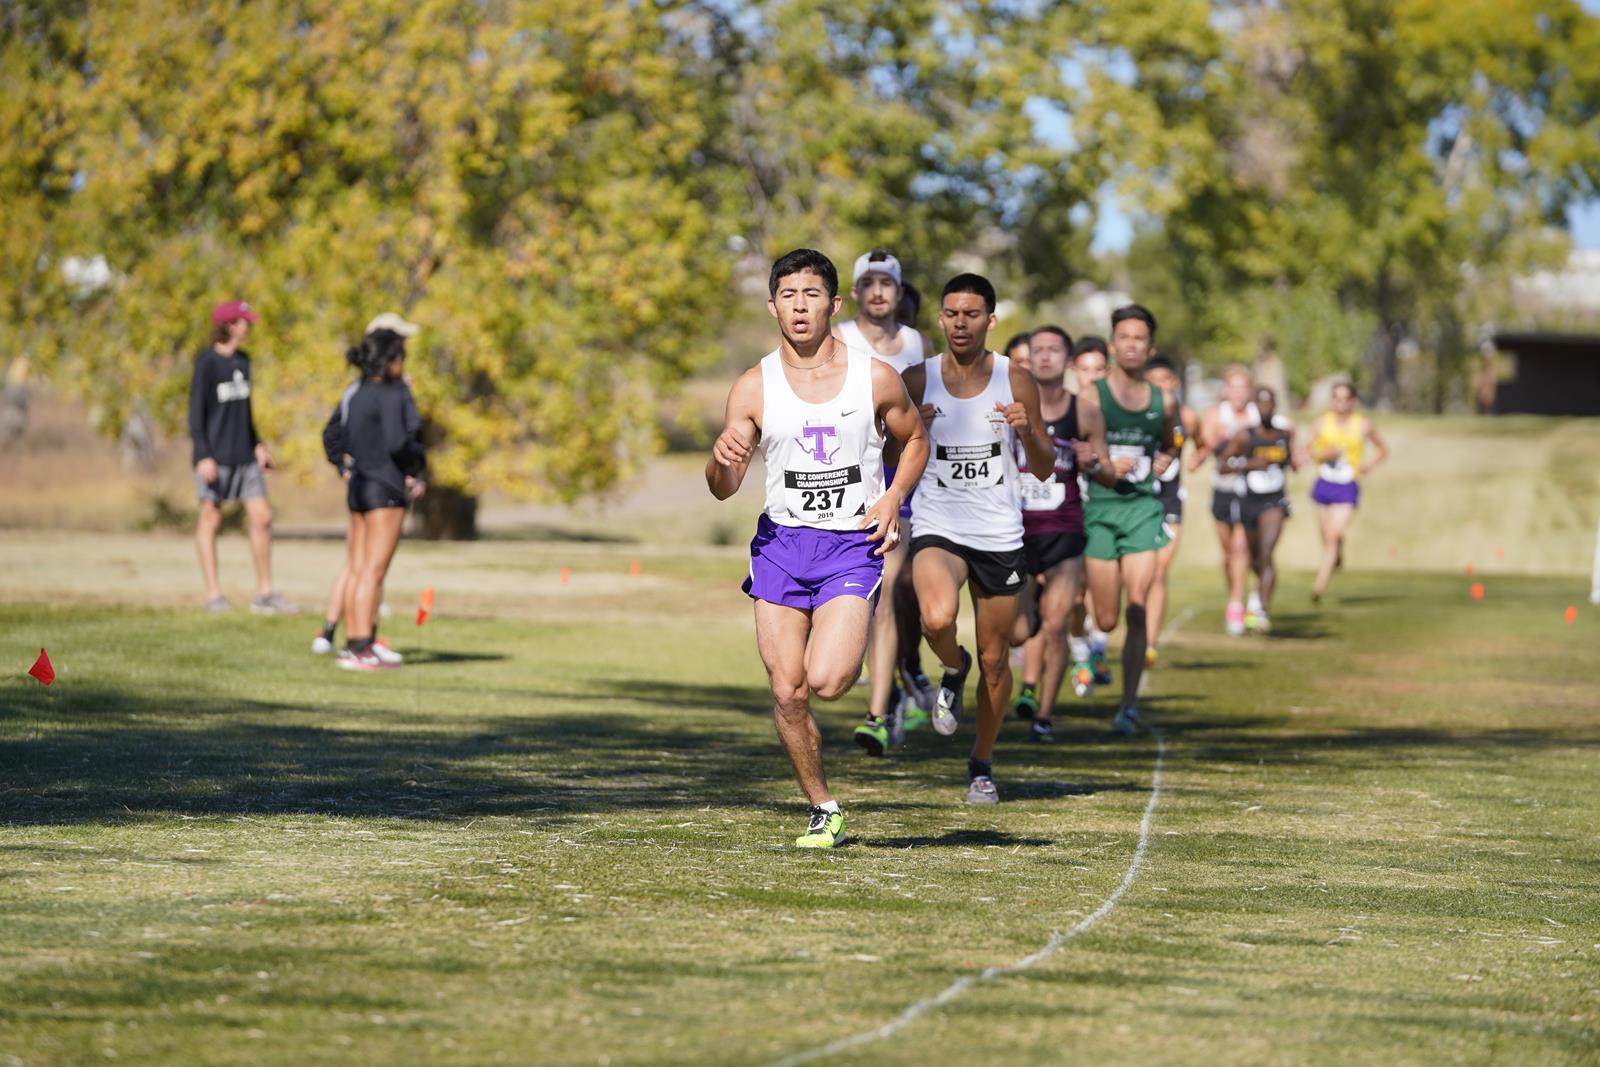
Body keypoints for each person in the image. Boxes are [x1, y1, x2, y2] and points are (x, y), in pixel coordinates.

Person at [706, 248, 927, 848]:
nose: (800, 307)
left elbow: (915, 441)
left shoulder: (873, 375)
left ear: (834, 304)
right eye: (788, 295)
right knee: (787, 689)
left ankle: (877, 692)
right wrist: (720, 461)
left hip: (851, 545)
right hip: (781, 544)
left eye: (812, 295)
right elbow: (724, 489)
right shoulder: (753, 386)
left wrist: (893, 497)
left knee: (827, 681)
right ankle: (824, 806)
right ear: (772, 304)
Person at [901, 273, 1056, 804]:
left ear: (990, 320)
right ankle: (951, 664)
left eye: (971, 314)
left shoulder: (1016, 379)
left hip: (997, 530)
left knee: (997, 660)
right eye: (951, 314)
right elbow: (883, 457)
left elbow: (1042, 467)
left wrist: (1028, 430)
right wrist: (903, 436)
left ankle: (982, 763)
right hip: (938, 523)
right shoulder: (916, 379)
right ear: (940, 318)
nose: (959, 323)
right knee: (937, 618)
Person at [833, 251, 935, 755]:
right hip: (848, 478)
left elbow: (921, 408)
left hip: (900, 480)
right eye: (868, 283)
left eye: (886, 284)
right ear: (854, 293)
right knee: (870, 595)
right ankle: (891, 687)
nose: (877, 292)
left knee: (891, 585)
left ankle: (877, 712)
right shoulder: (839, 339)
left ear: (899, 292)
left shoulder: (915, 343)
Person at [1077, 304, 1177, 736]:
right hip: (1099, 510)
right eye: (1125, 338)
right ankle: (1094, 646)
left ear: (1150, 347)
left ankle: (1129, 705)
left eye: (1140, 339)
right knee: (1106, 618)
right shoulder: (1091, 395)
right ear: (1113, 344)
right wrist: (1099, 465)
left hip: (1141, 510)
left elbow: (1173, 440)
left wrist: (1168, 458)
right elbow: (1075, 450)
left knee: (1137, 606)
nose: (1132, 345)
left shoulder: (1163, 399)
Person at [313, 313, 423, 665]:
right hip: (384, 488)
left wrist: (344, 465)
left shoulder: (356, 392)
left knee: (360, 569)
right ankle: (361, 646)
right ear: (392, 360)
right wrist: (416, 467)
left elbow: (334, 435)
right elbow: (398, 442)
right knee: (374, 573)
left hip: (358, 487)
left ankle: (356, 644)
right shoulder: (391, 393)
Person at [1004, 325, 1088, 743]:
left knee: (1056, 627)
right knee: (1019, 631)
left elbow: (1103, 462)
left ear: (1068, 359)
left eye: (1055, 349)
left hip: (1064, 529)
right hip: (1014, 531)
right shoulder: (1006, 403)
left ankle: (1045, 716)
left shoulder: (1083, 408)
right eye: (1038, 350)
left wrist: (1095, 461)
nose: (1045, 357)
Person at [188, 299, 298, 614]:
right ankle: (214, 595)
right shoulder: (206, 363)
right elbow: (196, 413)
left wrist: (258, 445)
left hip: (244, 456)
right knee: (211, 518)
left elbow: (244, 412)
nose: (249, 326)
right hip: (214, 457)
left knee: (263, 517)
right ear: (229, 325)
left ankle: (264, 593)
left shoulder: (244, 362)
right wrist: (202, 454)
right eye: (244, 321)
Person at [1199, 366, 1270, 636]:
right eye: (1234, 387)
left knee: (1242, 547)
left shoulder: (1258, 414)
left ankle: (1238, 604)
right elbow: (1209, 443)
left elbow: (1280, 433)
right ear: (1226, 390)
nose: (1239, 393)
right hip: (1223, 489)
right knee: (1229, 554)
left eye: (1243, 387)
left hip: (1251, 490)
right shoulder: (1216, 415)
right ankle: (1237, 594)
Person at [1220, 386, 1295, 631]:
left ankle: (1261, 608)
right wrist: (1250, 464)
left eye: (1269, 403)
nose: (1265, 408)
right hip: (1249, 501)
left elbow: (1292, 461)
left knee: (1266, 552)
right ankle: (1252, 599)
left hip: (1275, 500)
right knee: (1253, 556)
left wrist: (1299, 459)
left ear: (1275, 406)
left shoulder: (1284, 435)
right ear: (1254, 407)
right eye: (1260, 403)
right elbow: (1222, 466)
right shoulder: (1245, 435)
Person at [1143, 355, 1202, 665]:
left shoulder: (1187, 417)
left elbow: (1202, 443)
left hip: (1169, 500)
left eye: (1165, 381)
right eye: (1154, 381)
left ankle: (1149, 644)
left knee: (1158, 572)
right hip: (1136, 500)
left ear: (1175, 383)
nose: (1160, 387)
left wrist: (1197, 458)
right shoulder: (1134, 414)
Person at [1306, 381, 1388, 603]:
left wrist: (1368, 466)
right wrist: (1323, 454)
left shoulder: (1363, 425)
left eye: (1345, 399)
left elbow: (1382, 449)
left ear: (1353, 401)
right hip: (1324, 482)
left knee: (1332, 536)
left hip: (1347, 484)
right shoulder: (1322, 423)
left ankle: (1318, 587)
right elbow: (1307, 451)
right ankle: (1337, 554)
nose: (1341, 404)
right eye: (1337, 398)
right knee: (1326, 537)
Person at [1066, 336, 1113, 693]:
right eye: (1085, 369)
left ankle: (1098, 644)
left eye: (1099, 370)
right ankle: (1081, 650)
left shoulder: (1110, 414)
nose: (1092, 377)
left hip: (1104, 510)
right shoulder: (1060, 409)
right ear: (1073, 371)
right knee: (1074, 593)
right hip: (1067, 512)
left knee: (1106, 591)